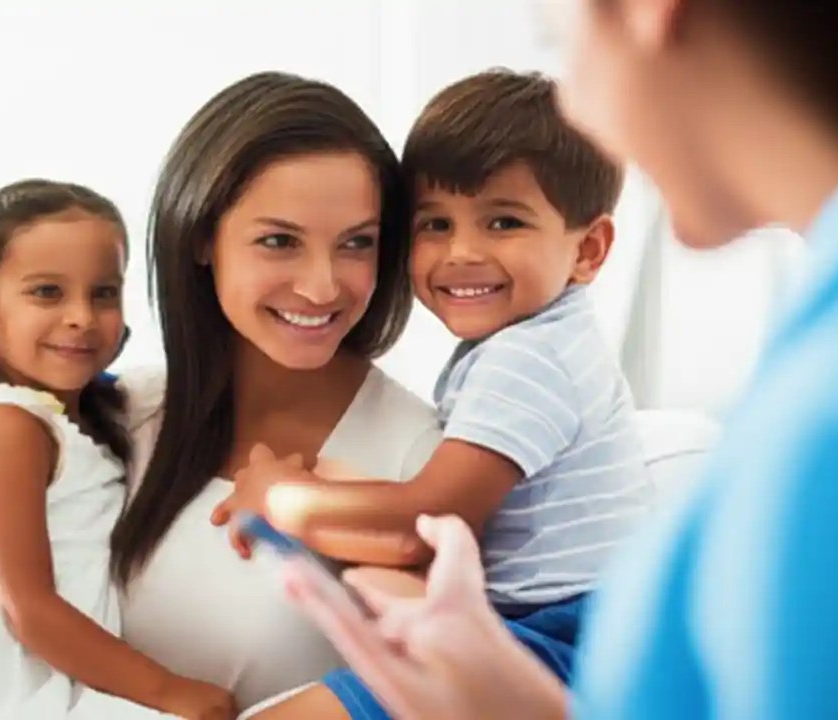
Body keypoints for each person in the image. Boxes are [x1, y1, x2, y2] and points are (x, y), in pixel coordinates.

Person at [280, 1, 838, 718]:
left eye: (560, 40)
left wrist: (286, 499)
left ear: (645, 12)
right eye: (435, 225)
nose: (583, 109)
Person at [223, 68, 653, 720]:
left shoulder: (530, 360)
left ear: (588, 250)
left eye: (503, 222)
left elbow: (423, 528)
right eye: (435, 224)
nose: (461, 253)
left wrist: (280, 498)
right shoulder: (534, 341)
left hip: (564, 636)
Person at [111, 71, 442, 714]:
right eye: (279, 241)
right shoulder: (123, 415)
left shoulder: (417, 460)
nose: (322, 287)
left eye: (355, 243)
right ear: (202, 236)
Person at [0, 179, 234, 719]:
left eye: (103, 292)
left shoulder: (86, 420)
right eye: (47, 292)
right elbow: (28, 606)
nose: (82, 316)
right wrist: (168, 691)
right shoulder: (8, 428)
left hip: (56, 673)